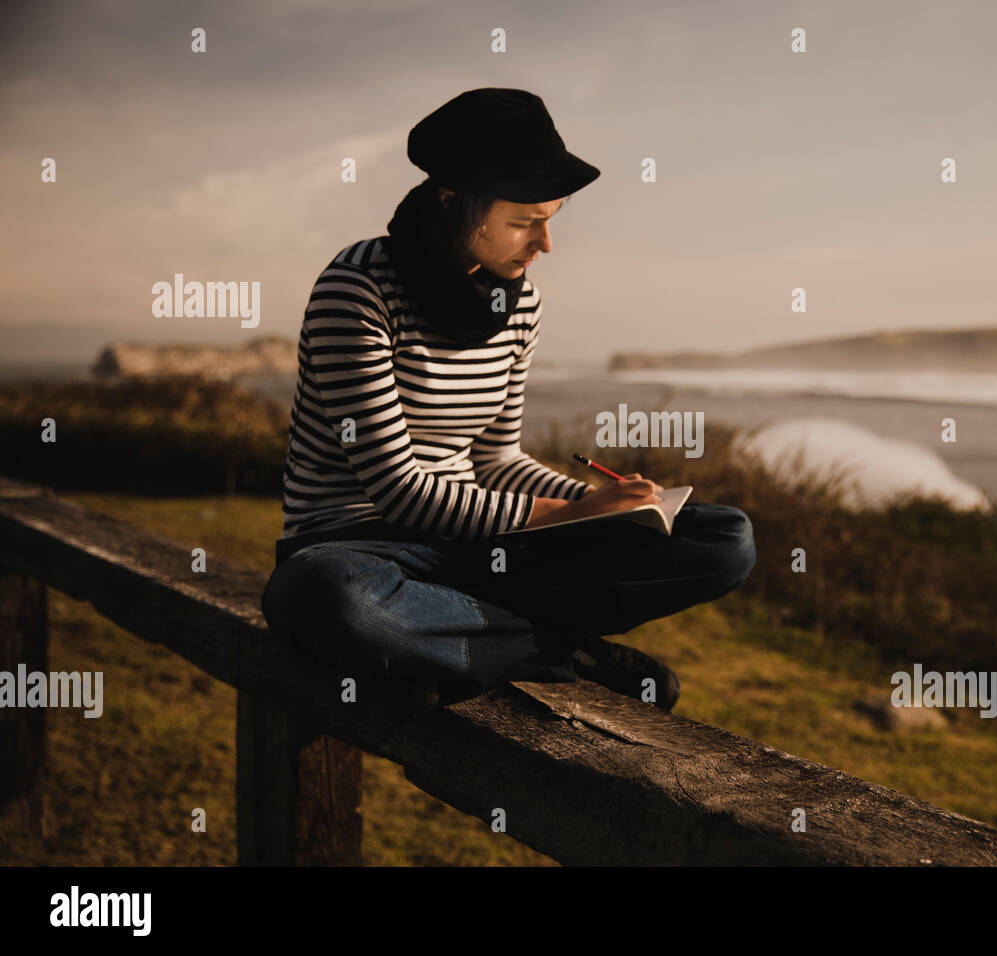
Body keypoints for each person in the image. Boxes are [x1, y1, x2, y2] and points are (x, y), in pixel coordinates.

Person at [260, 88, 756, 722]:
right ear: (452, 203)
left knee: (723, 538)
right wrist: (571, 512)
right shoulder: (356, 289)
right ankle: (561, 651)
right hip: (362, 548)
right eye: (524, 222)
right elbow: (398, 491)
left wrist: (606, 507)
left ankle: (458, 647)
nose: (544, 244)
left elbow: (496, 458)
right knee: (326, 599)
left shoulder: (519, 305)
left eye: (551, 218)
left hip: (477, 548)